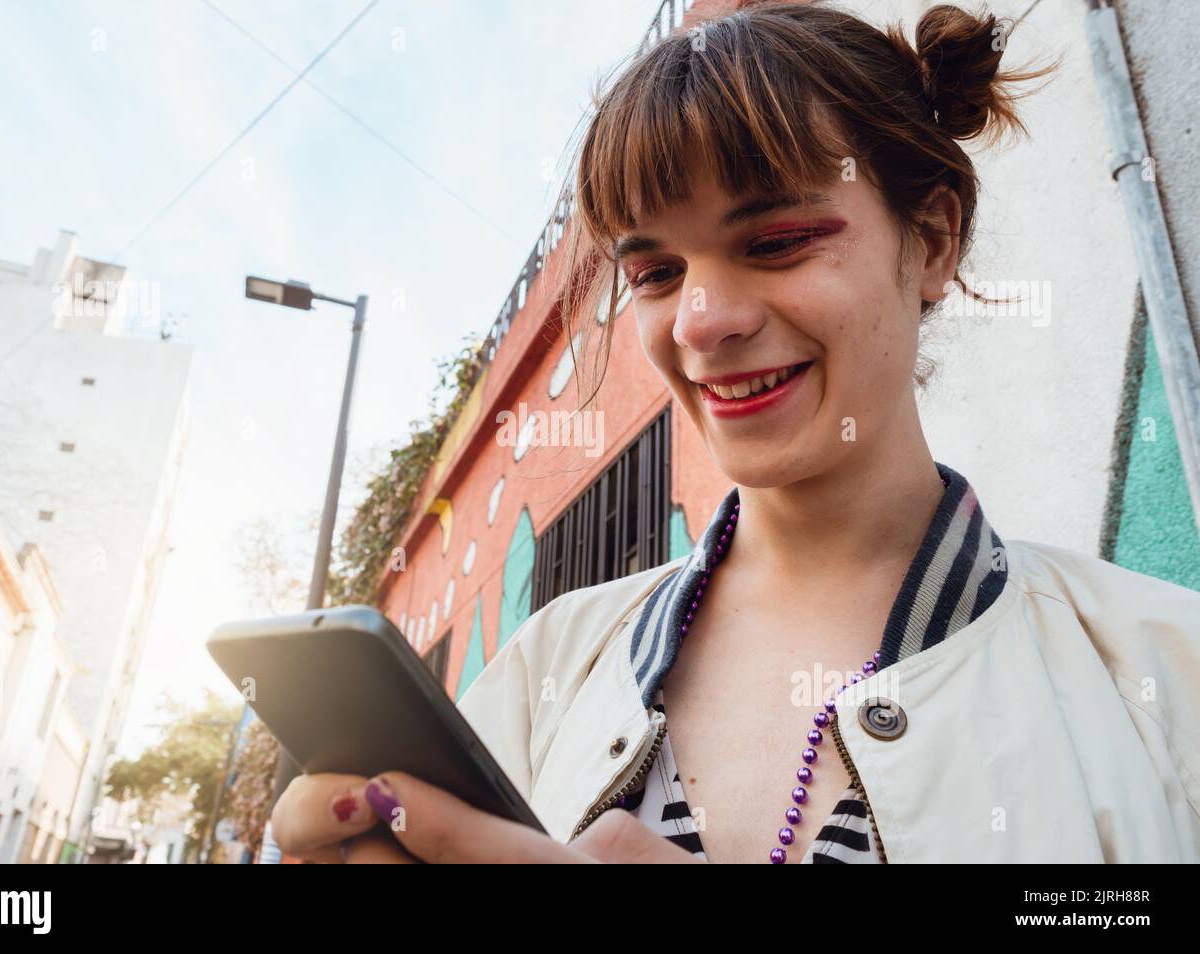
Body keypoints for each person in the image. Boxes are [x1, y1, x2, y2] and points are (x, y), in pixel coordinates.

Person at [270, 1, 1200, 863]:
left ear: (934, 238)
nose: (702, 321)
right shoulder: (548, 667)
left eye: (778, 241)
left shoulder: (1162, 672)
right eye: (657, 272)